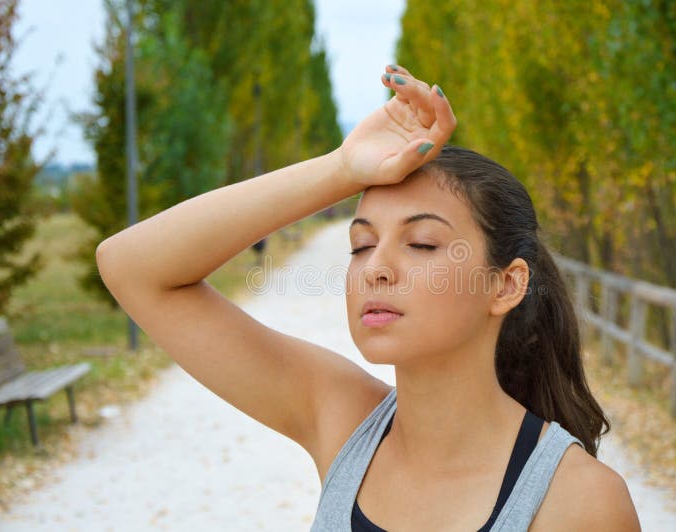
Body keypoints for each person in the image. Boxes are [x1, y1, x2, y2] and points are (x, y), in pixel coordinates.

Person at [96, 64, 641, 531]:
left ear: (506, 285)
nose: (376, 269)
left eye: (422, 243)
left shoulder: (580, 501)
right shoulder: (340, 419)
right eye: (360, 245)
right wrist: (339, 168)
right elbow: (132, 267)